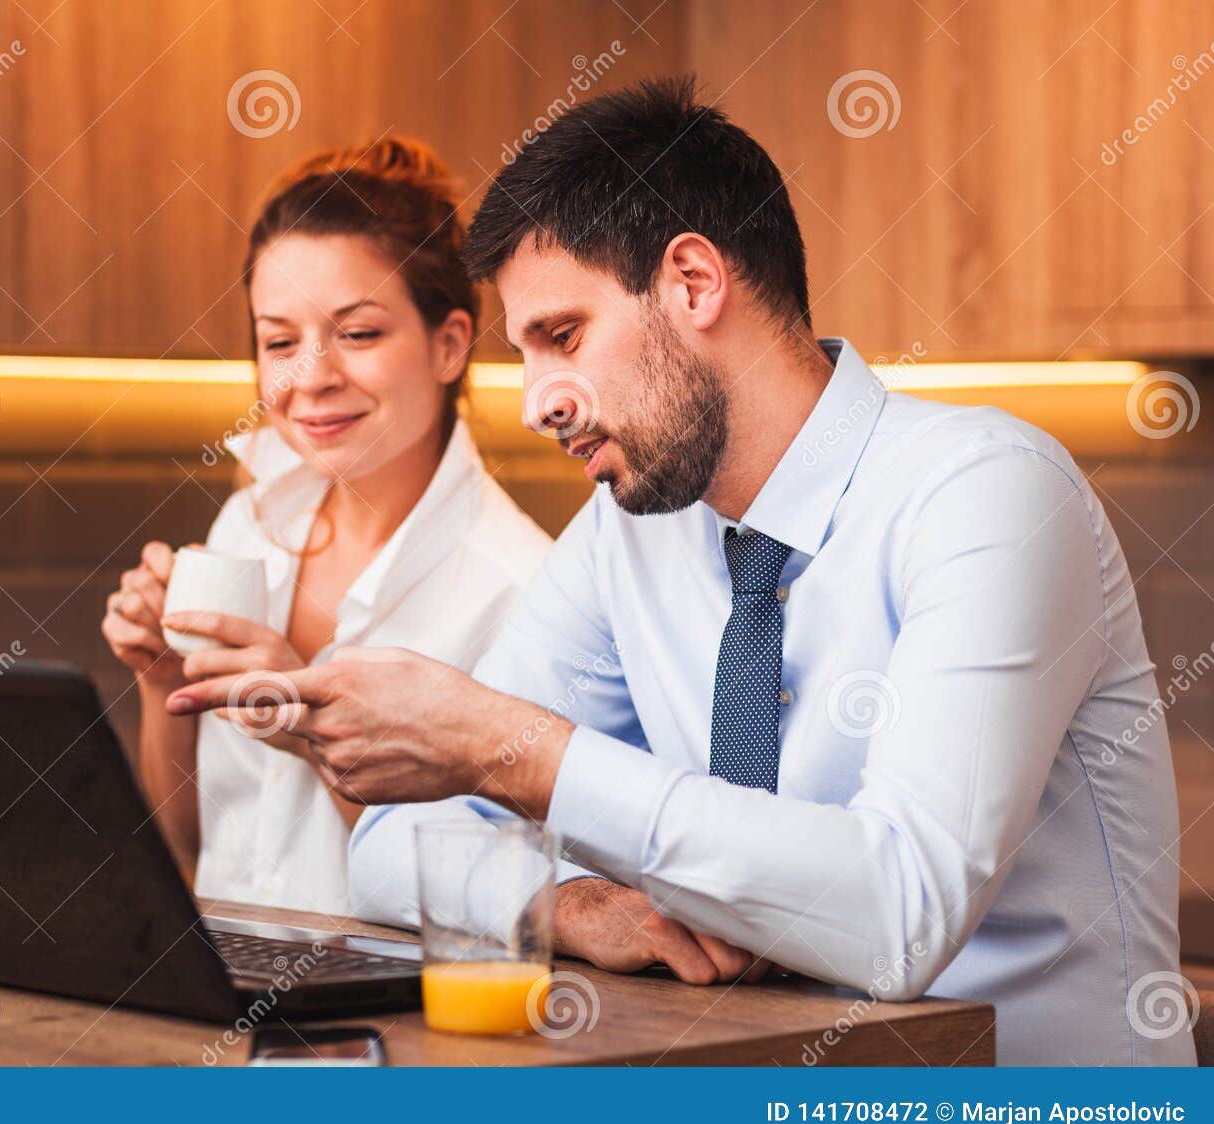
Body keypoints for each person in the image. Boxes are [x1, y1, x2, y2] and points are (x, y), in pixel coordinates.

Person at [170, 80, 1195, 1065]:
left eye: (560, 336)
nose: (535, 401)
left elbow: (898, 915)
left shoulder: (986, 492)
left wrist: (515, 753)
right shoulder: (633, 532)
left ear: (693, 282)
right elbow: (394, 846)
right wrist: (565, 905)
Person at [99, 138, 556, 920]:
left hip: (404, 1024)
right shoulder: (250, 525)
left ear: (449, 345)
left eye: (358, 332)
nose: (310, 377)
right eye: (279, 341)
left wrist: (311, 732)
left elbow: (503, 894)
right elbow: (196, 837)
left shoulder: (522, 587)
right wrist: (164, 679)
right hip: (225, 992)